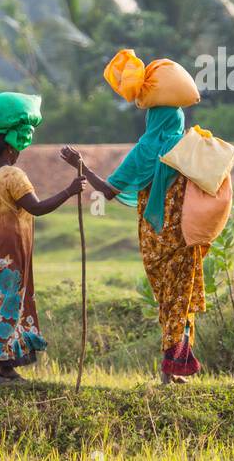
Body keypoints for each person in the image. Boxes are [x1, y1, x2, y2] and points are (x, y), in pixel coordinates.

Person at [61, 105, 208, 384]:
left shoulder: (143, 151)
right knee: (181, 299)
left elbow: (108, 191)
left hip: (153, 241)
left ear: (152, 120)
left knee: (170, 301)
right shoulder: (188, 147)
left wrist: (82, 166)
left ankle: (172, 368)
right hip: (184, 237)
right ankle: (171, 368)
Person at [0, 131, 86, 384]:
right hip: (6, 252)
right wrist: (69, 191)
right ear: (10, 150)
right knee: (8, 307)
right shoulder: (12, 175)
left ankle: (7, 369)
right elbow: (36, 208)